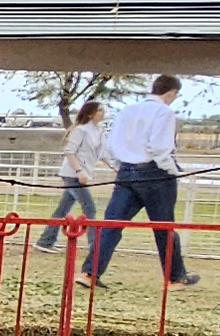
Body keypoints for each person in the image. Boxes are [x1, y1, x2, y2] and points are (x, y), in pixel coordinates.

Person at [81, 74, 197, 287]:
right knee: (164, 227)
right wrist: (174, 171)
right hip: (155, 174)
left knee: (112, 224)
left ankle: (90, 272)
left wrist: (121, 166)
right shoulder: (164, 112)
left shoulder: (127, 111)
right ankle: (175, 277)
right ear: (171, 92)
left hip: (126, 172)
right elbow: (160, 148)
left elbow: (112, 144)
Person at [34, 99, 106, 253]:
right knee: (89, 208)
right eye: (100, 110)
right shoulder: (80, 130)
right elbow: (70, 151)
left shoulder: (99, 131)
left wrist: (116, 166)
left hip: (81, 174)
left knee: (63, 209)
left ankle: (45, 241)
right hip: (72, 175)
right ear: (91, 113)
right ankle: (95, 246)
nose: (103, 113)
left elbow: (102, 153)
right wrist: (79, 171)